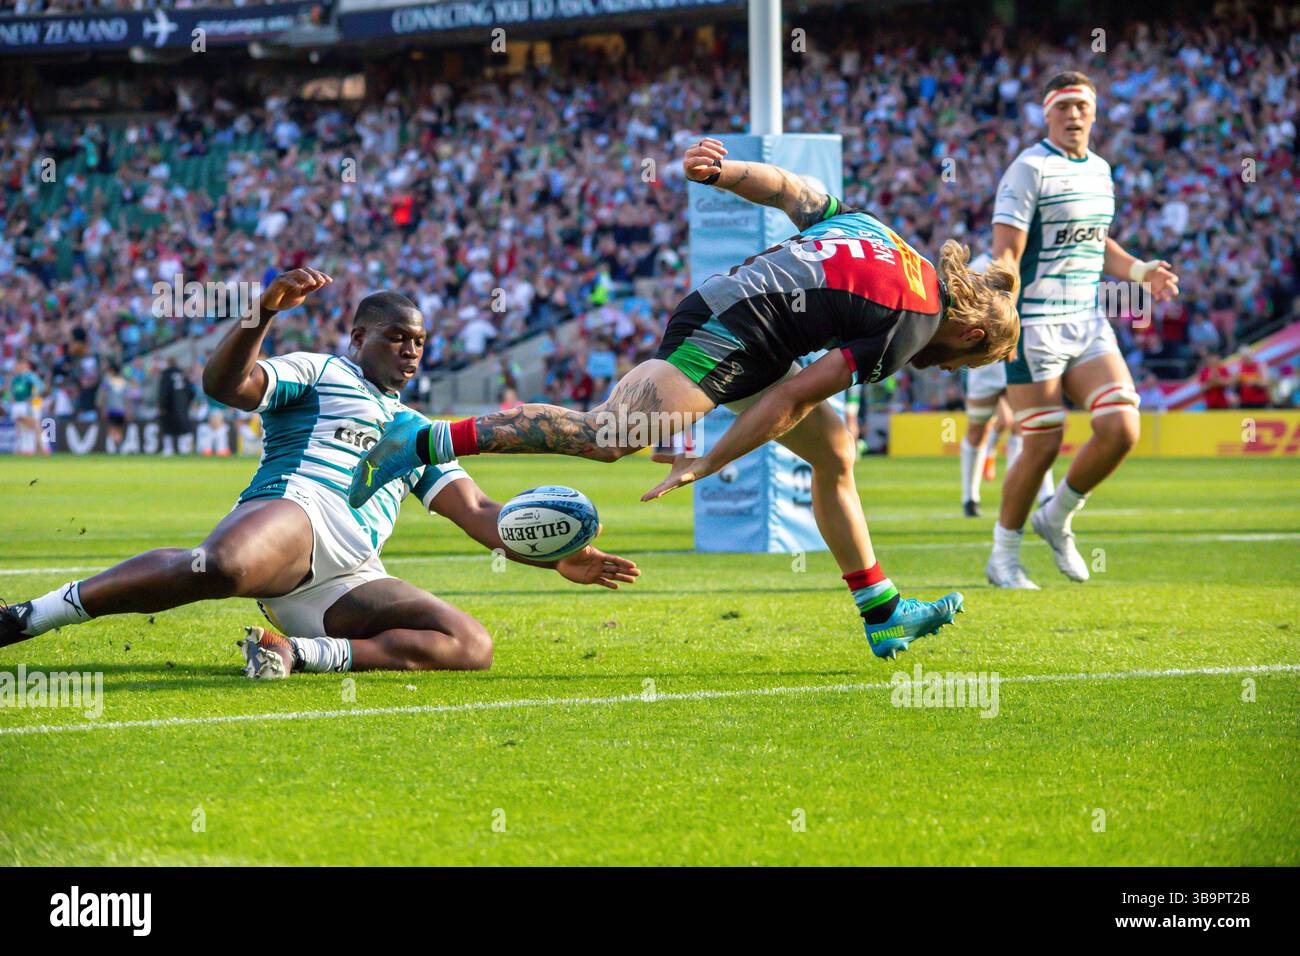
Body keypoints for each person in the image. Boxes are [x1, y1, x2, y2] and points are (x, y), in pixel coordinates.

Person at [351, 141, 1022, 660]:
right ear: (969, 334)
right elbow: (792, 398)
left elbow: (792, 190)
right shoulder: (913, 327)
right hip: (731, 331)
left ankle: (882, 611)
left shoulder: (888, 238)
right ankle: (419, 441)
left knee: (835, 452)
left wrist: (723, 173)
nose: (951, 368)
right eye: (967, 361)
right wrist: (709, 461)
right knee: (607, 438)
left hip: (746, 319)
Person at [1, 269, 639, 678]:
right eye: (396, 336)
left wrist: (553, 554)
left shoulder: (419, 429)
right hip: (297, 509)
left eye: (419, 341)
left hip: (352, 573)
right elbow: (225, 386)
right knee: (220, 567)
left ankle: (296, 654)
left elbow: (478, 513)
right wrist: (261, 313)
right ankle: (31, 616)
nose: (411, 349)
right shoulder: (322, 371)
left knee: (471, 646)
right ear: (358, 337)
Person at [984, 71, 1180, 590]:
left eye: (1082, 107)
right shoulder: (1029, 168)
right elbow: (1007, 253)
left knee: (1122, 426)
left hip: (1087, 319)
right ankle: (1003, 558)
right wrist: (1001, 313)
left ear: (1094, 114)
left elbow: (1097, 242)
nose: (1073, 115)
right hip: (1034, 324)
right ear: (1047, 114)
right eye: (1064, 107)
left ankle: (1056, 517)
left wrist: (1140, 271)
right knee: (1042, 444)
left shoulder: (1100, 169)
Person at [157, 357, 195, 456]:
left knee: (167, 427)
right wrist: (186, 403)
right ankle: (185, 449)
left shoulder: (166, 375)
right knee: (183, 426)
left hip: (169, 407)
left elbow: (163, 391)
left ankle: (168, 449)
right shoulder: (182, 374)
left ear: (168, 363)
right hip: (182, 406)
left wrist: (162, 406)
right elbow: (191, 391)